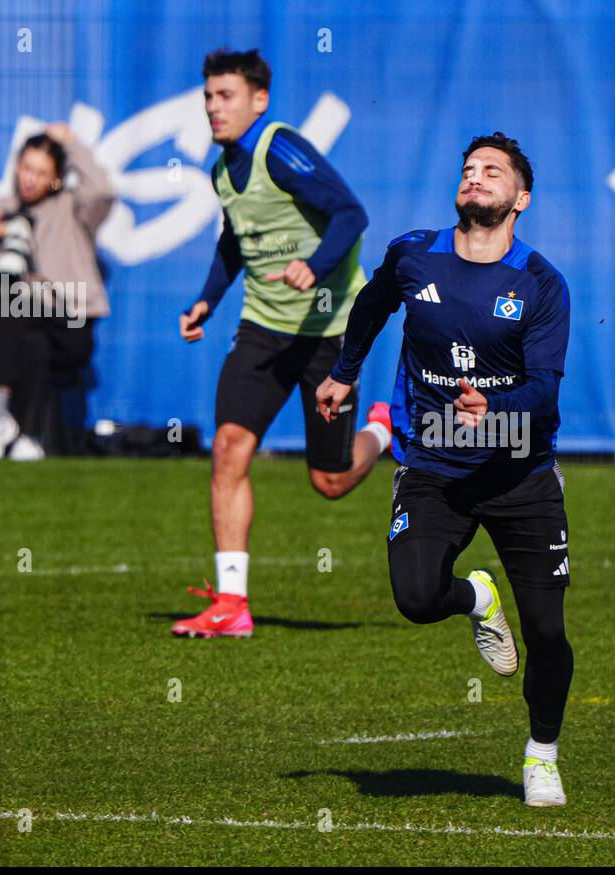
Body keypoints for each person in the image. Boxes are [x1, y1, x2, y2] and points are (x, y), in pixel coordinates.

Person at [315, 132, 574, 808]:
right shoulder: (413, 255)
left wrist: (495, 407)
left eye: (493, 172)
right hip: (432, 465)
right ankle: (475, 598)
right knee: (415, 597)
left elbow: (545, 389)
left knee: (547, 632)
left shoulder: (542, 285)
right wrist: (344, 374)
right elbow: (371, 307)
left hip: (520, 473)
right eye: (468, 169)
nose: (476, 177)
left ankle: (541, 753)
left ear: (521, 198)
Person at [172, 48, 391, 638]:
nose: (215, 107)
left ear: (259, 100)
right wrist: (206, 301)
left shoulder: (280, 146)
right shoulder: (222, 170)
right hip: (263, 330)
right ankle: (232, 605)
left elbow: (351, 213)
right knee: (228, 449)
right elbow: (234, 241)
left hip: (328, 330)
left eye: (226, 96)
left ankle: (382, 429)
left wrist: (315, 267)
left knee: (332, 481)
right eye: (209, 97)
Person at [0, 123, 116, 461]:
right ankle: (29, 437)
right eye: (27, 168)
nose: (31, 179)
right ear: (16, 166)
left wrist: (72, 144)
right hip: (12, 327)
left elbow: (102, 193)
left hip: (71, 325)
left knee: (22, 311)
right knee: (28, 333)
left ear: (57, 177)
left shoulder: (71, 209)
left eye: (42, 173)